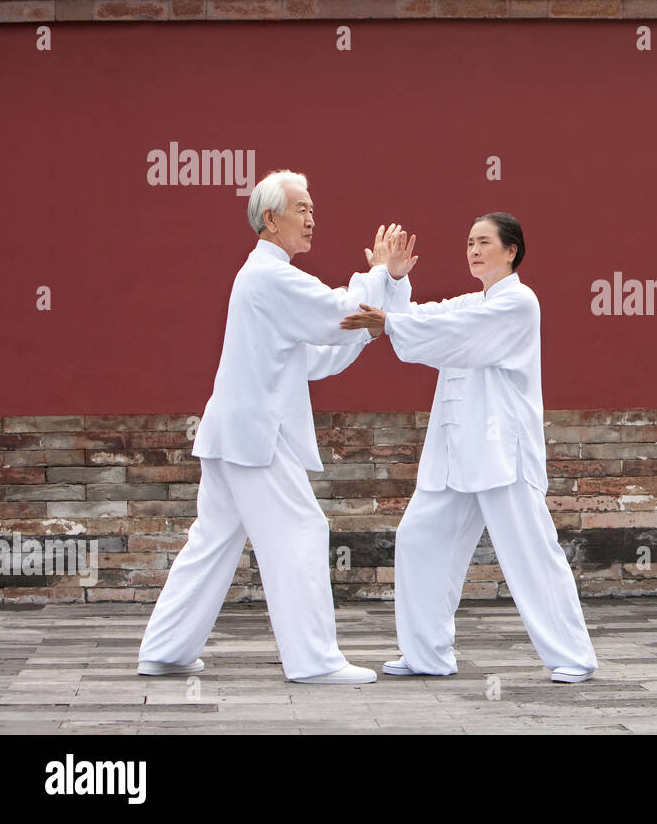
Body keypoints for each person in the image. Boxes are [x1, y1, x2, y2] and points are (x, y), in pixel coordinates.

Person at [137, 170, 413, 684]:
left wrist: (388, 286)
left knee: (214, 540)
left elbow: (317, 355)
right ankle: (314, 662)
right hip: (253, 438)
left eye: (312, 209)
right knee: (301, 531)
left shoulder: (263, 277)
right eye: (302, 209)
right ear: (270, 218)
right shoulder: (269, 275)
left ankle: (165, 650)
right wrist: (379, 274)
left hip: (234, 434)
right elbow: (340, 310)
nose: (312, 218)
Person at [340, 213, 598, 683]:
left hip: (502, 453)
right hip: (454, 452)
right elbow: (429, 316)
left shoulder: (518, 303)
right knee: (418, 538)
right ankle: (426, 655)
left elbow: (457, 337)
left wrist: (390, 323)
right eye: (469, 243)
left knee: (530, 554)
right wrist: (395, 280)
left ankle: (573, 657)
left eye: (484, 242)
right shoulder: (472, 301)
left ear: (512, 250)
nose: (474, 250)